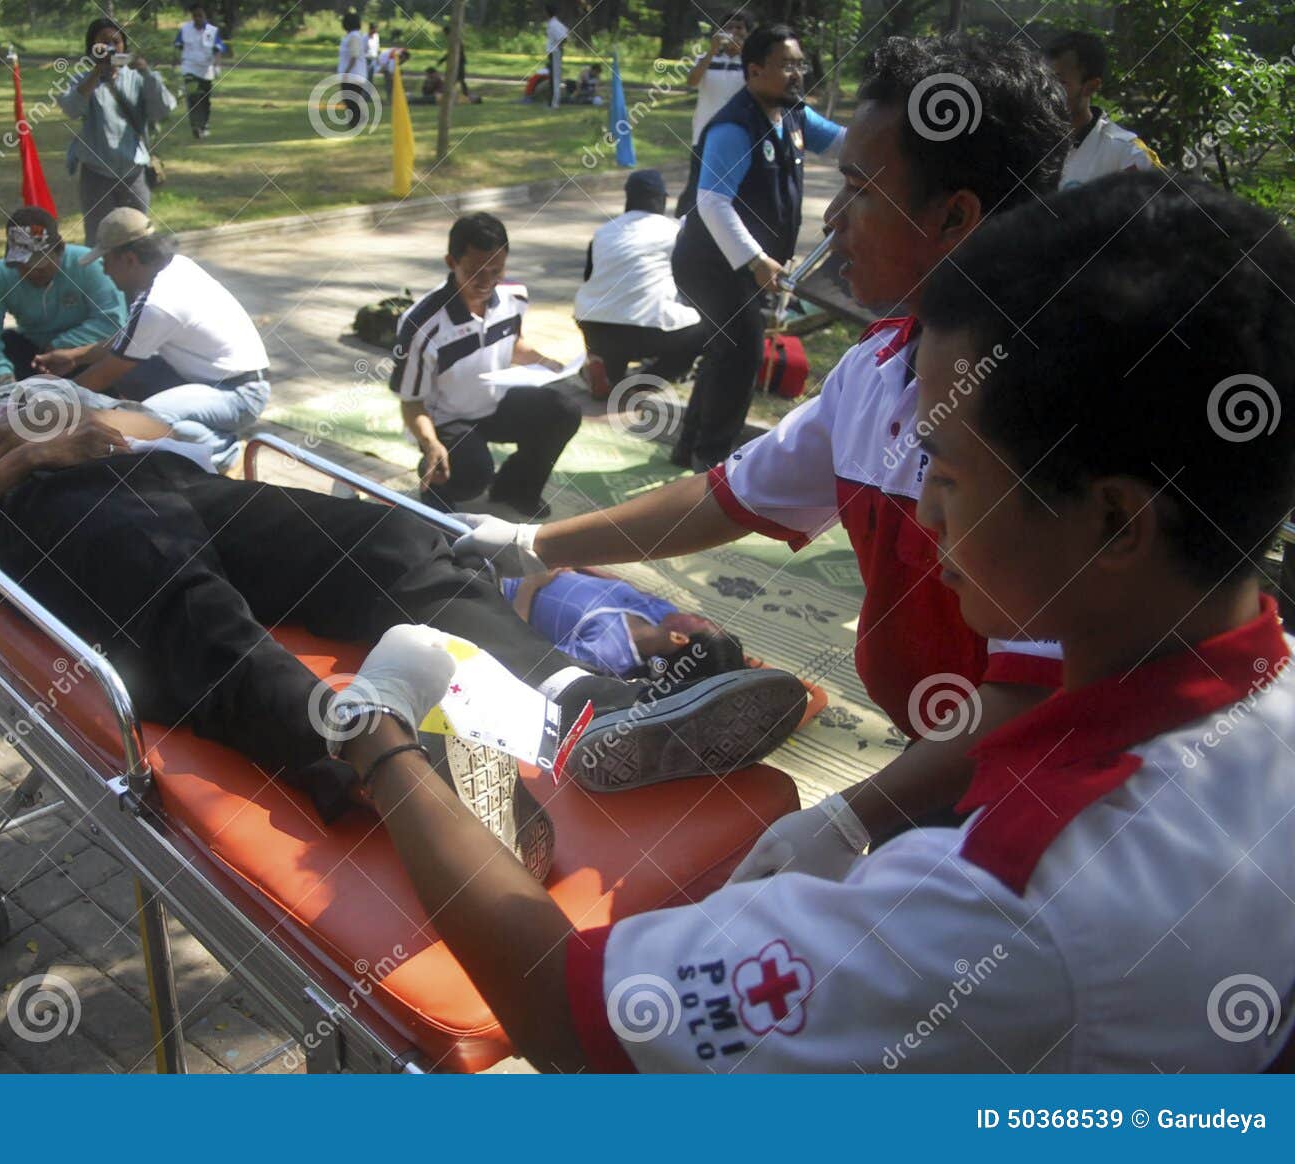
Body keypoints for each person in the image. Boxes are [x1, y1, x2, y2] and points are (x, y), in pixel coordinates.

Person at [331, 170, 1295, 1073]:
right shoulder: (1262, 702)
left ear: (1116, 520)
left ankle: (590, 684)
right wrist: (542, 545)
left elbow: (564, 1010)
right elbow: (729, 495)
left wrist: (382, 745)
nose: (925, 515)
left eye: (951, 478)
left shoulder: (1001, 901)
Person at [457, 34, 1075, 855]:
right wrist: (535, 542)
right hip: (939, 768)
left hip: (1041, 800)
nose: (831, 219)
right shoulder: (878, 368)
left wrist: (854, 817)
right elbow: (728, 496)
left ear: (954, 216)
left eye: (858, 190)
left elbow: (1034, 699)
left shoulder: (1048, 412)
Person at [0, 330, 810, 829]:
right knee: (190, 613)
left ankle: (587, 705)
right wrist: (13, 465)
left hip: (164, 479)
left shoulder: (31, 386)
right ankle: (382, 770)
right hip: (46, 517)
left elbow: (167, 431)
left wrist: (88, 428)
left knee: (390, 545)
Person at [671, 24, 844, 471]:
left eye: (799, 64)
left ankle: (690, 448)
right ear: (754, 71)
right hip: (710, 264)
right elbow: (713, 201)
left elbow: (847, 142)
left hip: (747, 266)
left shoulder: (794, 115)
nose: (797, 73)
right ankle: (714, 463)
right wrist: (753, 259)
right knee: (742, 352)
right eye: (786, 65)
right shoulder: (734, 125)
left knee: (725, 350)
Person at [32, 209, 267, 471]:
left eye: (106, 261)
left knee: (143, 420)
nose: (105, 271)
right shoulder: (177, 267)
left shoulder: (159, 302)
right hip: (214, 381)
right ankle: (197, 437)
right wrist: (74, 356)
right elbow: (124, 344)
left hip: (238, 394)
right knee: (148, 406)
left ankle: (224, 453)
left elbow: (106, 373)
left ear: (130, 259)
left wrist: (51, 407)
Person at [391, 213, 579, 520]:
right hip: (445, 419)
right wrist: (430, 443)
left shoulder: (514, 296)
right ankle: (436, 483)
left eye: (496, 271)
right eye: (475, 272)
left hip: (495, 401)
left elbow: (512, 344)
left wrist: (547, 363)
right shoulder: (422, 324)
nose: (487, 283)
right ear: (451, 262)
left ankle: (515, 489)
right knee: (473, 473)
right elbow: (411, 401)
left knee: (564, 411)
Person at [574, 170, 705, 399]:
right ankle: (644, 383)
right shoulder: (676, 231)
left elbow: (589, 277)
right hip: (649, 331)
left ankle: (605, 369)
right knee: (706, 329)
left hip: (593, 325)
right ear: (662, 199)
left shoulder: (603, 232)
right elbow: (691, 281)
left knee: (617, 333)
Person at [0, 208, 127, 387]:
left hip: (83, 355)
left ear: (60, 250)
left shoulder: (87, 264)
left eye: (40, 264)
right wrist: (0, 373)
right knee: (6, 345)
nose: (32, 272)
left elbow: (112, 321)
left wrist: (63, 345)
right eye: (23, 265)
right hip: (34, 357)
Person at [503, 568, 745, 682]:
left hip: (500, 590)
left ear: (679, 639)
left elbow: (526, 655)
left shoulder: (609, 655)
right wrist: (573, 565)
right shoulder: (660, 612)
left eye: (700, 621)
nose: (695, 614)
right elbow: (614, 584)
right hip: (527, 564)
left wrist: (530, 586)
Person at [58, 18, 175, 246]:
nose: (111, 48)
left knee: (139, 238)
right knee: (99, 240)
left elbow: (162, 109)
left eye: (117, 42)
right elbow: (71, 108)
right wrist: (96, 73)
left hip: (134, 173)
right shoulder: (83, 79)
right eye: (104, 43)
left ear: (124, 46)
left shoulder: (138, 77)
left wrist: (148, 73)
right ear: (92, 48)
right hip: (97, 174)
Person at [1044, 29, 1159, 188]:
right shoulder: (1027, 143)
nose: (1046, 90)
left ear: (1090, 87)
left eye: (1059, 82)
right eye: (1042, 80)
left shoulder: (1128, 155)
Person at [676, 10, 752, 218]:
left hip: (740, 135)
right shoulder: (705, 58)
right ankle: (687, 223)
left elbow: (756, 86)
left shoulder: (752, 62)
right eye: (729, 27)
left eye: (739, 28)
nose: (734, 32)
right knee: (698, 182)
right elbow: (692, 81)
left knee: (738, 185)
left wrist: (745, 53)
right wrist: (712, 51)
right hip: (704, 132)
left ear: (747, 32)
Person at [176, 4, 226, 139]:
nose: (198, 18)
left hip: (205, 70)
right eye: (195, 16)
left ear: (205, 16)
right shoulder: (185, 29)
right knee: (193, 97)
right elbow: (178, 46)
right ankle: (195, 126)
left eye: (200, 15)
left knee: (204, 99)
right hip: (189, 69)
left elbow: (217, 49)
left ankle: (204, 124)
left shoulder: (210, 31)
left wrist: (217, 65)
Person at [337, 11, 369, 130]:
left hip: (353, 75)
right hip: (352, 74)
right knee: (351, 100)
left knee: (351, 100)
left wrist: (346, 71)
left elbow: (354, 56)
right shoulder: (351, 36)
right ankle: (357, 121)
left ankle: (355, 123)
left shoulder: (354, 36)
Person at [543, 4, 567, 110]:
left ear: (547, 12)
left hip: (555, 53)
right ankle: (552, 101)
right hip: (553, 53)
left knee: (555, 79)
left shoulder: (554, 24)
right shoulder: (554, 23)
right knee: (553, 78)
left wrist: (559, 49)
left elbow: (563, 38)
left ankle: (554, 103)